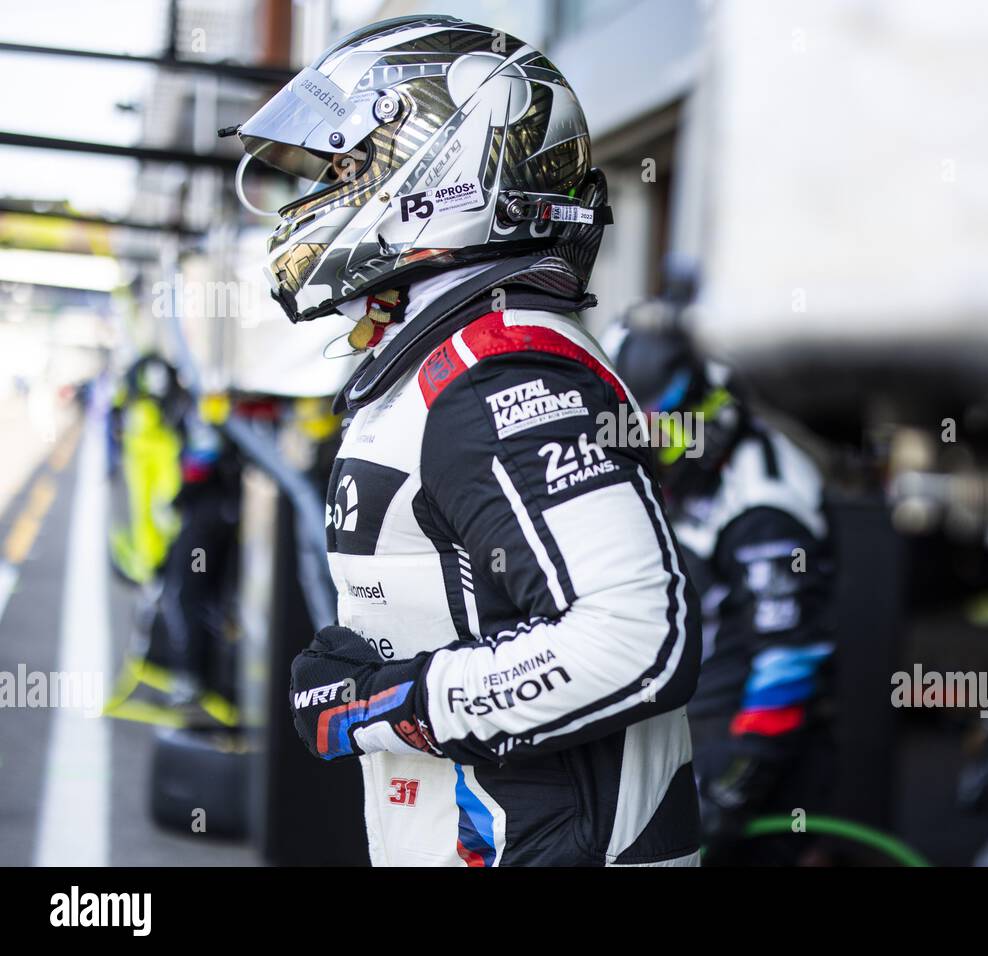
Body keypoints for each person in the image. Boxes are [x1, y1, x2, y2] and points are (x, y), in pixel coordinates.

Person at [231, 15, 701, 866]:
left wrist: (379, 702)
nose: (318, 197)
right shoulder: (449, 355)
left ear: (441, 171)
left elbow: (639, 636)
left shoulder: (500, 371)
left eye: (345, 167)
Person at [609, 319, 836, 863]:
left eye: (660, 429)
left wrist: (739, 772)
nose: (651, 445)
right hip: (687, 724)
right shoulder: (692, 473)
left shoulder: (763, 500)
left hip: (747, 751)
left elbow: (792, 655)